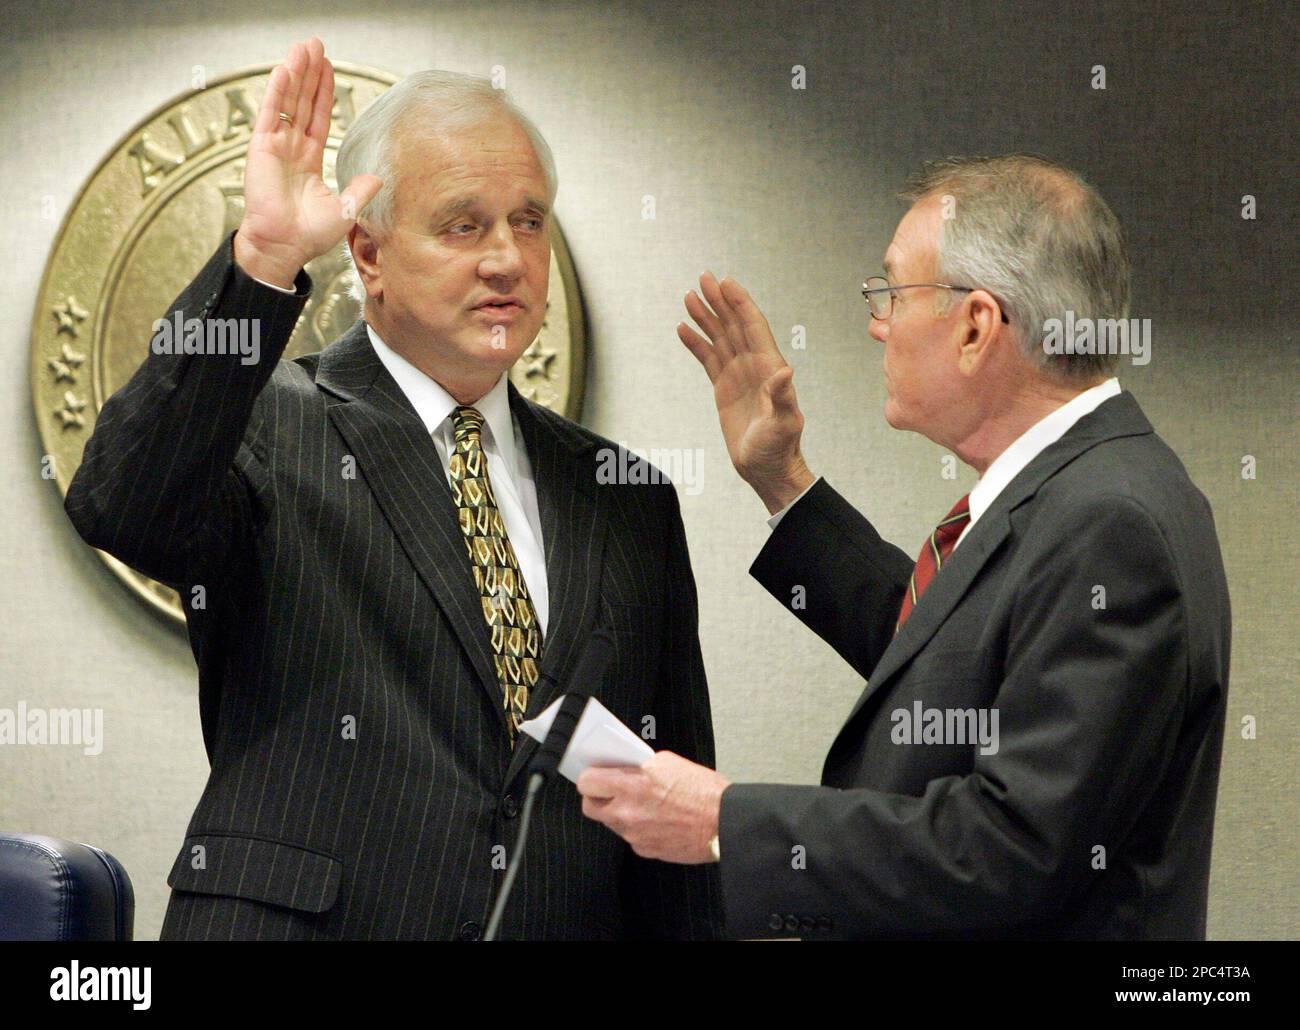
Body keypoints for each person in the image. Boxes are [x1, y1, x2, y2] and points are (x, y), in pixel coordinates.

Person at [65, 37, 721, 940]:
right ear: (367, 256)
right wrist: (261, 259)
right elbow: (118, 502)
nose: (506, 259)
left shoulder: (627, 496)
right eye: (464, 225)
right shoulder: (266, 420)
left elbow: (669, 810)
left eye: (528, 222)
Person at [577, 154, 1231, 940]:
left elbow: (1010, 852)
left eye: (892, 291)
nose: (877, 323)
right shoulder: (1083, 489)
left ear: (976, 326)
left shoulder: (1108, 524)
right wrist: (783, 479)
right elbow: (947, 650)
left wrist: (725, 822)